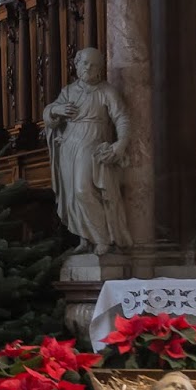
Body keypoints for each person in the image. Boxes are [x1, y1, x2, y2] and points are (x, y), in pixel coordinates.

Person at [42, 47, 132, 254]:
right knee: (72, 196)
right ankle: (86, 239)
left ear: (100, 69)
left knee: (83, 190)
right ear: (77, 64)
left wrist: (121, 143)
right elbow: (48, 114)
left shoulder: (107, 91)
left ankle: (102, 238)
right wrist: (56, 110)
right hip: (68, 147)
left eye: (94, 65)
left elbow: (122, 118)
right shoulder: (68, 91)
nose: (88, 68)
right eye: (85, 63)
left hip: (92, 143)